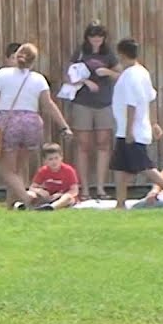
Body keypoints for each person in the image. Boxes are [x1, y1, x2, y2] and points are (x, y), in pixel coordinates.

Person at [0, 43, 74, 209]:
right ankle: (10, 206)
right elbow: (48, 104)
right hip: (32, 122)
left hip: (9, 122)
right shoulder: (38, 79)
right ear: (33, 61)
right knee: (19, 168)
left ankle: (27, 198)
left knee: (6, 170)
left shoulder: (3, 74)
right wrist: (64, 126)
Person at [110, 38, 163, 209]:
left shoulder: (129, 76)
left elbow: (131, 105)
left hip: (131, 129)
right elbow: (151, 98)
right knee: (121, 167)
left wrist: (129, 131)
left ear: (121, 54)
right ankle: (120, 203)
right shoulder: (142, 72)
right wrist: (153, 123)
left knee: (144, 165)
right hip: (131, 128)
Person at [67, 22, 119, 199]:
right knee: (83, 145)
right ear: (87, 37)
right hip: (83, 102)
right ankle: (85, 189)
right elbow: (70, 76)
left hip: (104, 103)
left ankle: (101, 188)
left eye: (99, 36)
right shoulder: (80, 52)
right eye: (93, 36)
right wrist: (85, 82)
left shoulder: (109, 54)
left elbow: (120, 75)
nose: (96, 39)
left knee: (103, 144)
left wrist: (108, 72)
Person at [17, 142, 80, 210]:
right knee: (29, 194)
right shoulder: (43, 171)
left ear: (61, 157)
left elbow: (74, 191)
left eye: (56, 158)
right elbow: (32, 187)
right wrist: (40, 191)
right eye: (50, 159)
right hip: (47, 197)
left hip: (62, 197)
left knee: (68, 197)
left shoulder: (69, 170)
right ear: (45, 160)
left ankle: (51, 207)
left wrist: (60, 195)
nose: (54, 162)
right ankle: (27, 206)